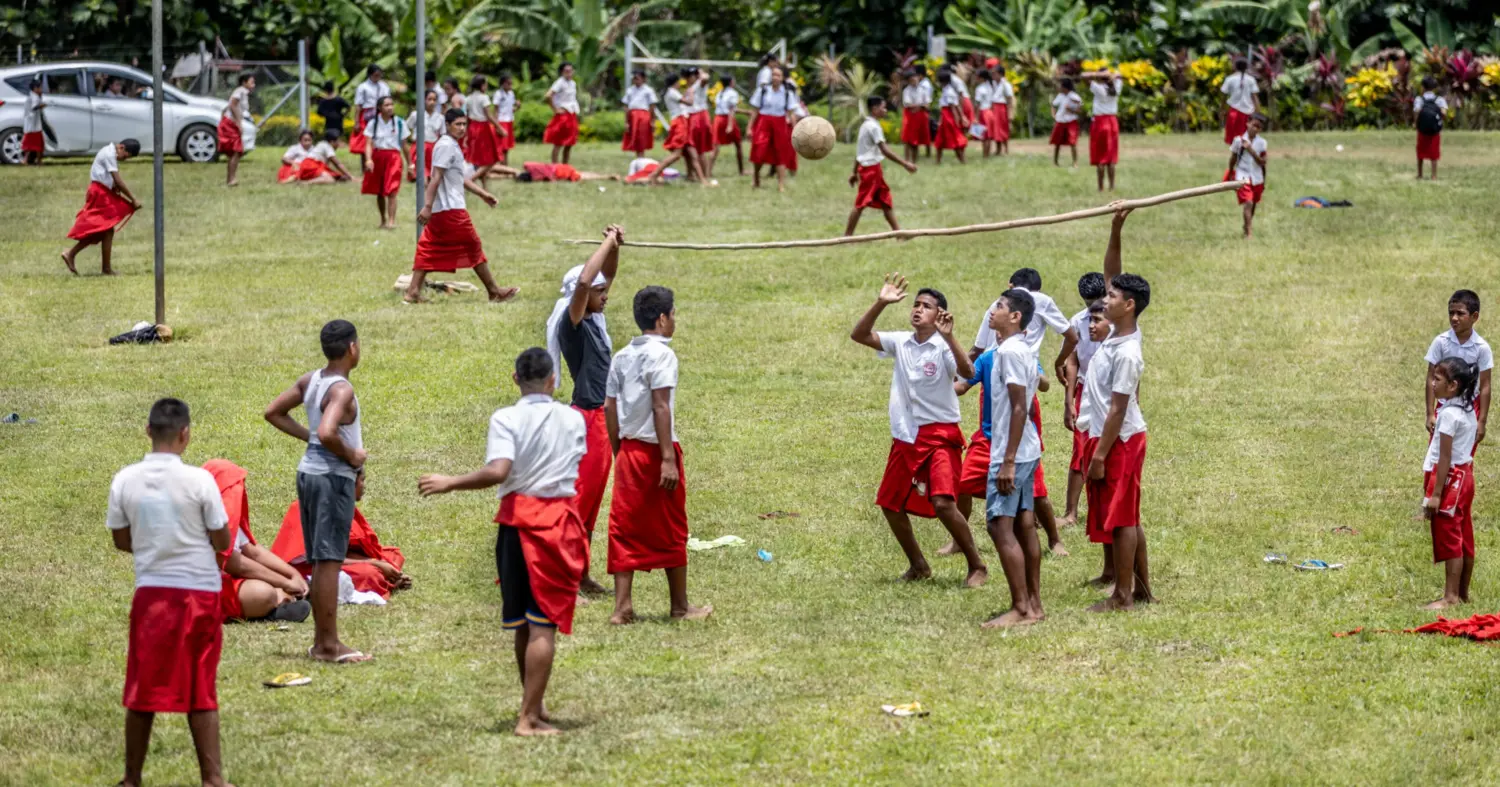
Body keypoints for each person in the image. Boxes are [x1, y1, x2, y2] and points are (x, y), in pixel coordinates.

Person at [417, 347, 589, 736]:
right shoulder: (572, 418)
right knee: (544, 625)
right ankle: (528, 717)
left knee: (523, 623)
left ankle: (533, 704)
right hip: (556, 524)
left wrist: (451, 482)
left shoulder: (505, 417)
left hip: (514, 525)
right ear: (553, 380)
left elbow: (500, 471)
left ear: (515, 379)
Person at [107, 398, 232, 787]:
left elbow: (121, 540)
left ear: (147, 431)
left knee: (142, 686)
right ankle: (212, 779)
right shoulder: (199, 480)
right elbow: (222, 537)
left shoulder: (124, 479)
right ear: (185, 434)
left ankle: (132, 778)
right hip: (200, 593)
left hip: (152, 595)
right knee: (201, 687)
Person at [850, 274, 989, 587]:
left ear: (939, 316)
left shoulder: (942, 347)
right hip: (906, 434)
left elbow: (967, 371)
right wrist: (881, 302)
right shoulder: (901, 341)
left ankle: (977, 564)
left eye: (926, 306)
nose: (917, 309)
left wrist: (951, 337)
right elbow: (859, 335)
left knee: (943, 503)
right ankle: (919, 565)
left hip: (940, 435)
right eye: (916, 304)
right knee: (889, 505)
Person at [262, 320, 372, 664]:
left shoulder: (311, 380)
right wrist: (351, 455)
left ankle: (324, 642)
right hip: (330, 479)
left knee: (323, 559)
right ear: (352, 348)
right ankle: (327, 645)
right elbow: (327, 431)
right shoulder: (342, 390)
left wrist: (310, 437)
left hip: (308, 474)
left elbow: (273, 412)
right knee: (329, 562)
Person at [604, 285, 713, 625]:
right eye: (673, 314)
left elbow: (610, 405)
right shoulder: (663, 354)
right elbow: (661, 405)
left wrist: (618, 449)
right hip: (657, 450)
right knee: (671, 525)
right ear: (662, 318)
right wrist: (667, 458)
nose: (674, 320)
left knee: (624, 525)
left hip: (629, 451)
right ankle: (680, 606)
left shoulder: (622, 355)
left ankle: (622, 607)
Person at [547, 226, 626, 596]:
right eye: (600, 293)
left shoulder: (595, 318)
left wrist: (615, 245)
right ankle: (565, 572)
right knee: (579, 501)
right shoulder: (573, 323)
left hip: (600, 418)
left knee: (592, 501)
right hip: (586, 418)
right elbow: (584, 281)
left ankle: (579, 572)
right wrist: (605, 242)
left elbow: (603, 275)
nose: (605, 294)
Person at [1082, 206, 1153, 612]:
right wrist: (1115, 227)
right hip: (1111, 436)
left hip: (1120, 439)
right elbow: (1112, 268)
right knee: (1128, 513)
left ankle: (1123, 595)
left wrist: (1100, 455)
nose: (1103, 299)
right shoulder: (1116, 330)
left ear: (1128, 306)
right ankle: (1141, 589)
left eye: (1111, 296)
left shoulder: (1128, 352)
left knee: (1123, 518)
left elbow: (1117, 410)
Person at [974, 289, 1049, 628]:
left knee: (998, 525)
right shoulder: (1017, 349)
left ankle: (1020, 608)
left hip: (1013, 453)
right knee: (1024, 524)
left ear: (1015, 317)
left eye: (1000, 306)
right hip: (1025, 450)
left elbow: (1020, 406)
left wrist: (1006, 460)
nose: (993, 310)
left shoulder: (1010, 352)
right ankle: (1033, 604)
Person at [405, 109, 517, 304]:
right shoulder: (446, 146)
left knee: (429, 247)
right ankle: (494, 291)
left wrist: (483, 194)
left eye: (464, 124)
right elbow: (436, 178)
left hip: (445, 209)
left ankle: (413, 291)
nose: (462, 128)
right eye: (458, 124)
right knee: (473, 245)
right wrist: (427, 206)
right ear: (447, 125)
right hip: (450, 209)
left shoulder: (451, 145)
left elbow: (460, 178)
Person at [202, 459, 311, 623]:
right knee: (264, 593)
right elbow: (232, 562)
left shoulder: (227, 516)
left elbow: (254, 551)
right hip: (203, 586)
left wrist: (292, 574)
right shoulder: (205, 519)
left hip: (225, 579)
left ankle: (278, 602)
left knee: (274, 586)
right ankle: (271, 608)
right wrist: (284, 582)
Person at [1422, 357, 1479, 610]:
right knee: (1464, 534)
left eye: (1438, 379)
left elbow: (1444, 457)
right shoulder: (1468, 410)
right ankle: (1463, 593)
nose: (1432, 383)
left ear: (1453, 385)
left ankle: (1450, 597)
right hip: (1466, 475)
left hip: (1452, 479)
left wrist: (1435, 494)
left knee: (1450, 537)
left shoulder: (1448, 416)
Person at [1062, 272, 1108, 527]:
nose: (1092, 306)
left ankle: (1101, 509)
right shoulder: (1078, 322)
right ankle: (1071, 512)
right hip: (1083, 389)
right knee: (1080, 449)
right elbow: (1072, 360)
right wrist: (1069, 400)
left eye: (1096, 299)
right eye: (1087, 301)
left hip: (1108, 392)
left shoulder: (1113, 322)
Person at [61, 138, 140, 276]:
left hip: (102, 191)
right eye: (125, 156)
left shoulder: (109, 153)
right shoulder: (109, 154)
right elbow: (117, 179)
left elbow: (108, 178)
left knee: (105, 231)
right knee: (101, 228)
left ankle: (103, 267)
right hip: (99, 193)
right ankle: (73, 254)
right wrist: (133, 199)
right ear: (121, 147)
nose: (124, 160)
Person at [1425, 290, 1493, 446]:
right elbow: (1430, 377)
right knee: (1438, 452)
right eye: (1451, 313)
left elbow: (1485, 386)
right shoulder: (1441, 342)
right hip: (1443, 405)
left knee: (1463, 455)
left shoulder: (1481, 348)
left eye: (1460, 314)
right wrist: (1430, 413)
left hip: (1470, 408)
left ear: (1474, 317)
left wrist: (1481, 421)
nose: (1454, 318)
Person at [845, 96, 917, 236]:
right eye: (883, 107)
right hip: (870, 170)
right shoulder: (873, 127)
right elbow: (885, 150)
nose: (885, 110)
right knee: (860, 203)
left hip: (871, 169)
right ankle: (847, 237)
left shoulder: (865, 125)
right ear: (874, 109)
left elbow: (859, 152)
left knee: (885, 201)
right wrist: (905, 164)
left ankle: (899, 234)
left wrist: (854, 172)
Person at [747, 66, 804, 192]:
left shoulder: (787, 93)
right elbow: (755, 111)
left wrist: (795, 129)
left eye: (778, 75)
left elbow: (791, 113)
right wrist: (749, 127)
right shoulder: (763, 90)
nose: (775, 77)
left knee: (780, 153)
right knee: (759, 150)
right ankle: (756, 177)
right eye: (773, 74)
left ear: (782, 78)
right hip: (764, 122)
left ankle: (781, 184)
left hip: (779, 123)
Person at [649, 70, 709, 186]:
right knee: (677, 155)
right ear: (675, 82)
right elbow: (690, 103)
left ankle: (702, 180)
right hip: (680, 123)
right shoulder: (672, 92)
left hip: (682, 122)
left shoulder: (671, 92)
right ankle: (654, 174)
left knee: (693, 153)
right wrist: (691, 92)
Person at [361, 95, 408, 230]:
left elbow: (404, 145)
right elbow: (368, 143)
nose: (390, 107)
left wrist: (410, 163)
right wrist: (369, 159)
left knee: (392, 190)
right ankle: (383, 219)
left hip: (393, 157)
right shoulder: (373, 124)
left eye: (391, 104)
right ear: (379, 108)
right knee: (380, 191)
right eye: (386, 105)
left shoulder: (399, 123)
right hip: (378, 157)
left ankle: (392, 221)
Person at [1227, 113, 1268, 238]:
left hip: (1257, 176)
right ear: (1248, 123)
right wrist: (1230, 172)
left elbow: (1262, 162)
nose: (1255, 129)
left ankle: (1247, 225)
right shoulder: (1238, 141)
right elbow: (1233, 158)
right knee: (1248, 202)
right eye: (1253, 125)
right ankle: (1248, 233)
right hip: (1242, 175)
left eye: (1258, 127)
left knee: (1254, 202)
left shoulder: (1262, 143)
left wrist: (1251, 150)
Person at [463, 75, 502, 188]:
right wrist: (499, 128)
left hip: (472, 128)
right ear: (482, 85)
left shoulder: (468, 98)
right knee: (490, 160)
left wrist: (466, 135)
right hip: (483, 128)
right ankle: (470, 180)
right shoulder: (484, 98)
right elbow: (488, 115)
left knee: (479, 159)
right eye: (485, 84)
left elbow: (467, 118)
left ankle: (484, 187)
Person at [1088, 69, 1123, 191]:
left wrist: (1095, 74)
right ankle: (1112, 187)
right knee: (1111, 156)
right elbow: (1120, 74)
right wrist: (1111, 75)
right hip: (1113, 122)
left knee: (1100, 157)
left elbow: (1084, 77)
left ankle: (1100, 187)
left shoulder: (1098, 88)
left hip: (1100, 122)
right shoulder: (1116, 87)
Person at [219, 74, 254, 187]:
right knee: (236, 151)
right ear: (244, 83)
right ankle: (231, 179)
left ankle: (231, 179)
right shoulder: (241, 91)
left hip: (229, 122)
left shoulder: (242, 92)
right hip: (231, 124)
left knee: (235, 152)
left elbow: (227, 107)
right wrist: (238, 123)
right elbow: (233, 105)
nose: (253, 85)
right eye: (251, 82)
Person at [543, 62, 581, 164]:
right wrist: (555, 109)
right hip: (563, 115)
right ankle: (555, 166)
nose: (569, 73)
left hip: (571, 113)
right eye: (566, 71)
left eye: (571, 71)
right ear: (562, 72)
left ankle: (565, 166)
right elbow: (548, 95)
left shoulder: (573, 83)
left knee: (570, 143)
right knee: (558, 142)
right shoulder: (560, 83)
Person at [710, 74, 747, 176]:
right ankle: (741, 170)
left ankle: (708, 171)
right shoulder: (733, 93)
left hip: (717, 119)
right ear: (731, 82)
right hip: (727, 119)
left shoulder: (720, 93)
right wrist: (730, 125)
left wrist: (746, 112)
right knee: (738, 144)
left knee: (715, 146)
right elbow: (731, 109)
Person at [406, 89, 445, 182]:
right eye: (429, 99)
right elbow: (406, 127)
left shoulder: (440, 117)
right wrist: (410, 139)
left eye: (434, 100)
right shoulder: (415, 115)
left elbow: (442, 134)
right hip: (419, 147)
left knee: (431, 176)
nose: (432, 102)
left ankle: (428, 194)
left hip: (432, 148)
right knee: (421, 174)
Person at [350, 64, 390, 156]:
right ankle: (365, 165)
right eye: (375, 75)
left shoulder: (384, 86)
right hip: (367, 115)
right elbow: (358, 105)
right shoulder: (363, 87)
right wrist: (357, 122)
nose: (378, 77)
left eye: (379, 75)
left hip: (381, 113)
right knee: (365, 142)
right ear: (370, 75)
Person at [934, 66, 969, 165]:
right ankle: (938, 160)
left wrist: (958, 119)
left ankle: (962, 160)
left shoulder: (949, 92)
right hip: (945, 116)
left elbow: (953, 107)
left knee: (954, 140)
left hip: (948, 117)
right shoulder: (946, 90)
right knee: (940, 140)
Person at [1220, 58, 1260, 145]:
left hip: (1234, 111)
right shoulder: (1251, 79)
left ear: (1235, 67)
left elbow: (1224, 96)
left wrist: (1222, 109)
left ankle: (1236, 154)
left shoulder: (1229, 79)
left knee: (1234, 139)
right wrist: (1257, 111)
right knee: (1247, 137)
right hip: (1248, 112)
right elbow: (1255, 97)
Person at [1414, 75, 1447, 181]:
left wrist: (1416, 124)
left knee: (1420, 151)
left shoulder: (1420, 99)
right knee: (1434, 153)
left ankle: (1420, 174)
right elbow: (1444, 113)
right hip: (1434, 130)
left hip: (1422, 129)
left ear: (1423, 87)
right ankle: (1434, 175)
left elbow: (1417, 112)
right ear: (1435, 87)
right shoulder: (1439, 99)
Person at [621, 70, 658, 158]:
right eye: (634, 79)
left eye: (637, 78)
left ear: (643, 79)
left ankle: (641, 156)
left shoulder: (648, 90)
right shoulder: (630, 90)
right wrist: (626, 121)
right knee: (634, 136)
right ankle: (638, 156)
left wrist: (652, 120)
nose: (635, 81)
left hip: (643, 115)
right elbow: (626, 106)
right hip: (633, 115)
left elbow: (652, 105)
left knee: (642, 136)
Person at [899, 68, 932, 164]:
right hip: (910, 116)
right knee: (908, 139)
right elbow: (908, 105)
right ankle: (907, 159)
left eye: (915, 78)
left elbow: (927, 104)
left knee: (916, 139)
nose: (914, 80)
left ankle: (914, 159)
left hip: (920, 116)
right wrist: (920, 106)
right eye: (911, 79)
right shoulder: (907, 91)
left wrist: (919, 106)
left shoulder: (923, 90)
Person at [1050, 77, 1083, 168]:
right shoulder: (1060, 96)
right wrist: (1053, 115)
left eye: (1061, 86)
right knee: (1057, 142)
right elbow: (1053, 105)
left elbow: (1079, 110)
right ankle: (1055, 162)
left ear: (1066, 87)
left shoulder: (1074, 97)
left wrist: (1071, 110)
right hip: (1060, 120)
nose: (1060, 88)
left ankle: (1075, 162)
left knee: (1072, 142)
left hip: (1071, 121)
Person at [492, 161, 621, 183]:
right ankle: (607, 176)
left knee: (512, 175)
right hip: (560, 169)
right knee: (582, 174)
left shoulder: (536, 175)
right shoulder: (532, 168)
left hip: (560, 171)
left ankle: (485, 171)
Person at [688, 67, 716, 165]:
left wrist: (700, 73)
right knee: (694, 147)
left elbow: (705, 78)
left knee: (700, 149)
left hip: (699, 115)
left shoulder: (700, 84)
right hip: (693, 116)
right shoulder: (692, 86)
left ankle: (704, 174)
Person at [990, 66, 1015, 155]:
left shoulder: (1006, 85)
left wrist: (1010, 114)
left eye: (994, 73)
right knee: (996, 129)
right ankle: (998, 149)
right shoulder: (993, 84)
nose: (992, 75)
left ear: (1000, 74)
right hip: (994, 107)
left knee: (1003, 129)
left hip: (1002, 108)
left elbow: (1009, 100)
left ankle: (1006, 149)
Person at [494, 73, 518, 165]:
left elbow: (510, 109)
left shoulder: (511, 94)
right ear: (503, 84)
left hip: (509, 120)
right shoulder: (498, 94)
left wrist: (517, 107)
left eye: (511, 84)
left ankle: (505, 164)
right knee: (502, 145)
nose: (510, 86)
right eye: (508, 84)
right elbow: (496, 110)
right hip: (501, 121)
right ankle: (501, 165)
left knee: (507, 146)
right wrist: (496, 124)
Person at [21, 78, 46, 165]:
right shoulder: (34, 97)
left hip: (31, 125)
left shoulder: (32, 96)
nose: (41, 90)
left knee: (30, 146)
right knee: (38, 145)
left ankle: (27, 160)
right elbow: (34, 107)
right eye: (40, 88)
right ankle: (38, 161)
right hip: (34, 126)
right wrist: (42, 105)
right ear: (35, 88)